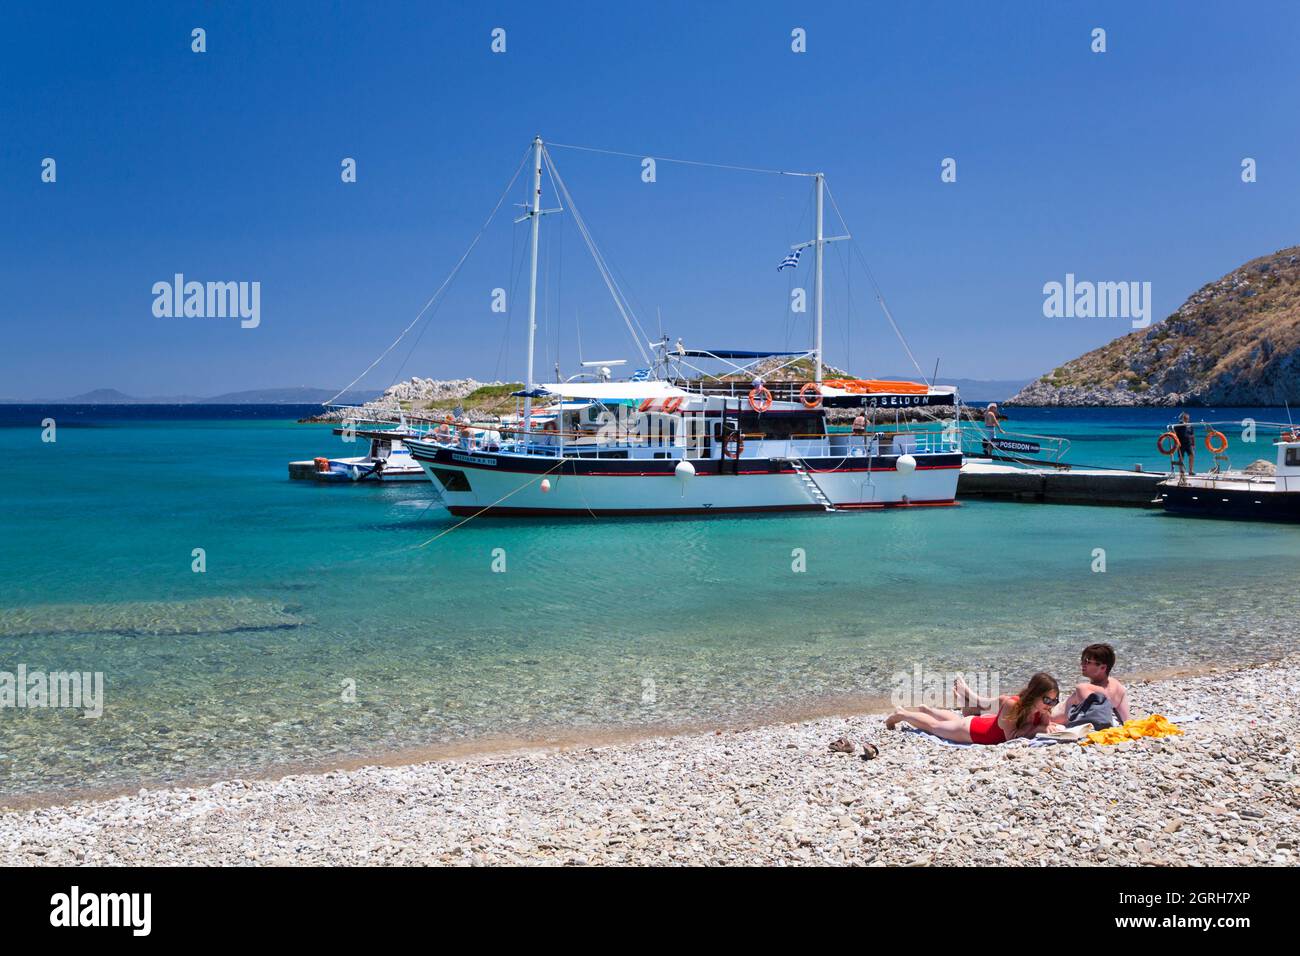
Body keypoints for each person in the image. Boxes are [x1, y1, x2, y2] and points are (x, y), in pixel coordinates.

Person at [885, 672, 1060, 745]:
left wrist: (1045, 726)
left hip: (982, 724)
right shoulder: (1013, 705)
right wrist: (1038, 728)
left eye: (1054, 701)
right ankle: (903, 714)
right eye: (1047, 700)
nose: (1050, 705)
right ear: (1034, 694)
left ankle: (928, 710)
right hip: (973, 731)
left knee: (956, 720)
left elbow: (1045, 726)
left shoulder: (1043, 709)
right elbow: (1011, 738)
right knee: (934, 727)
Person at [1052, 643, 1130, 726]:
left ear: (1103, 668)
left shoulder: (1083, 689)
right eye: (1082, 660)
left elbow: (1089, 720)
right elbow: (1126, 721)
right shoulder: (1118, 687)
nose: (1082, 664)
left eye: (1087, 661)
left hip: (1050, 718)